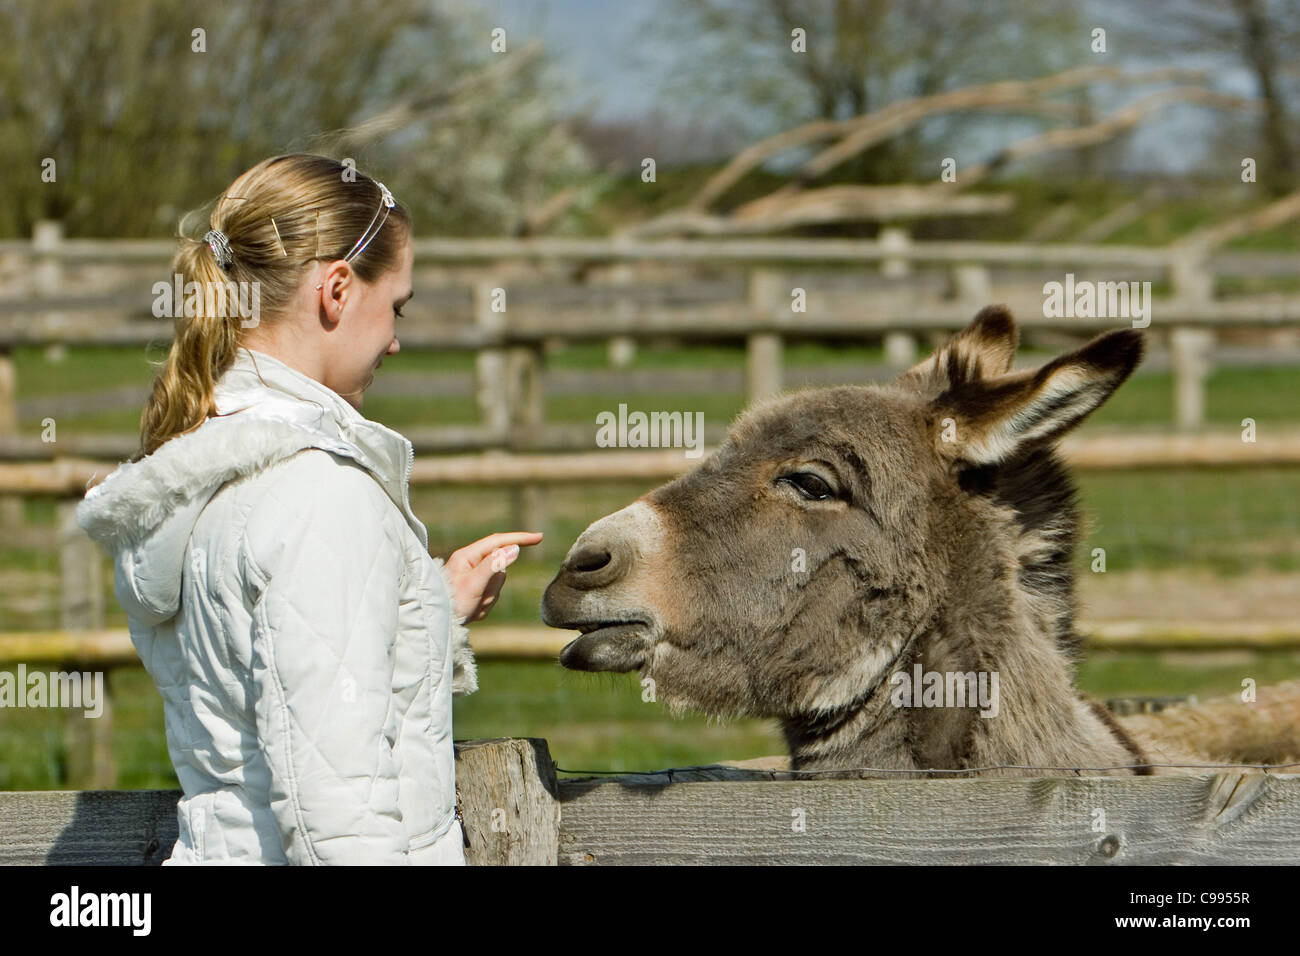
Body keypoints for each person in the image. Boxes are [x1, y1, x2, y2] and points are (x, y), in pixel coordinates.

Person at [76, 153, 541, 864]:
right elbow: (341, 822)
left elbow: (268, 693)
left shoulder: (205, 466)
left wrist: (423, 607)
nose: (395, 338)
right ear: (336, 289)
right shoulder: (320, 495)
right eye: (397, 306)